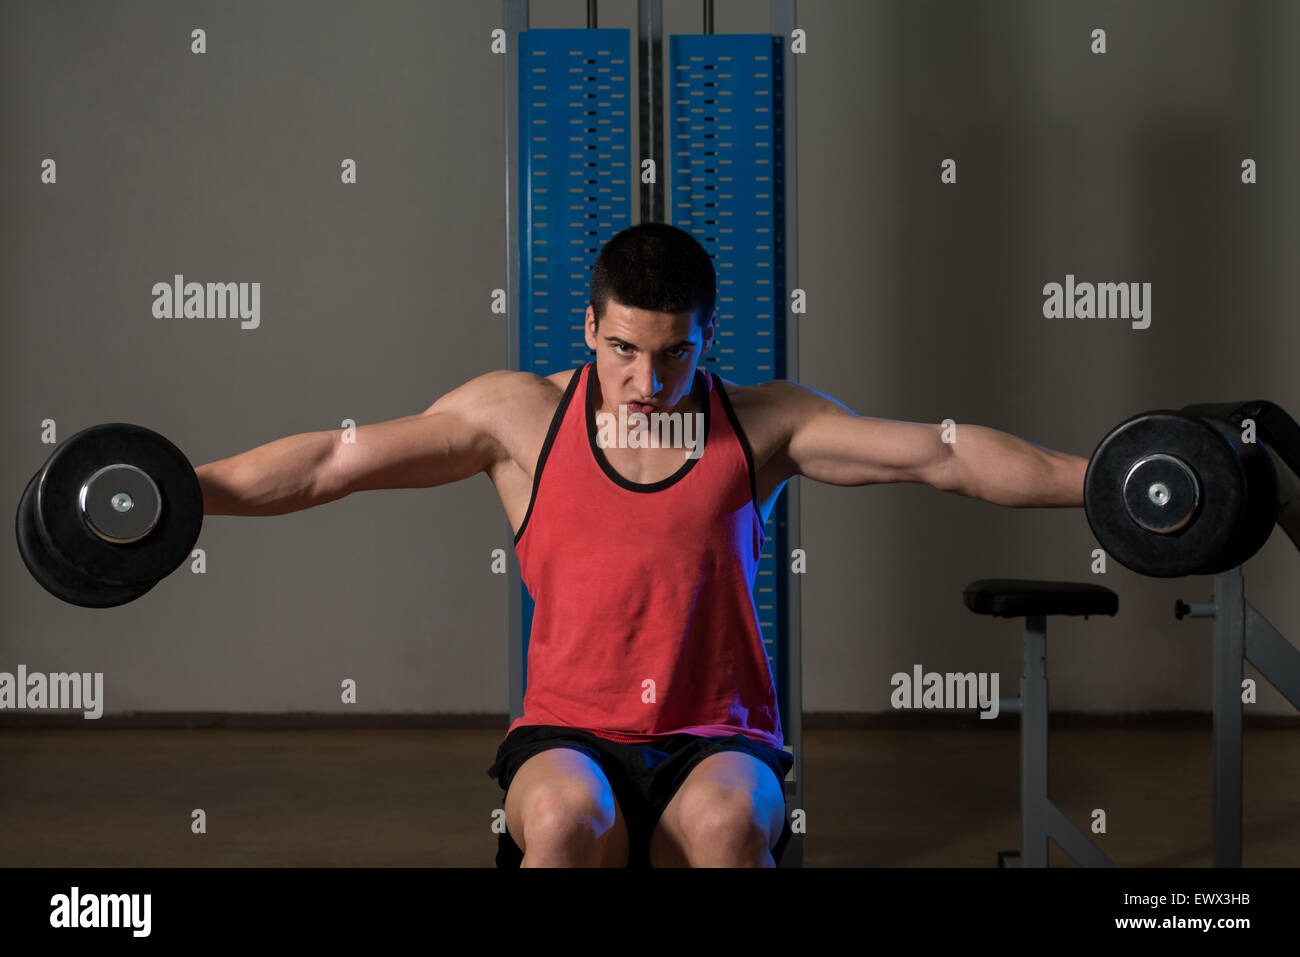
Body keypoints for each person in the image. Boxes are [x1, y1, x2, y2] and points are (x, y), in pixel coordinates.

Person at [195, 223, 1088, 867]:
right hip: (567, 733)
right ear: (588, 328)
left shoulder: (764, 423)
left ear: (706, 340)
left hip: (719, 735)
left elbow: (942, 451)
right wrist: (174, 496)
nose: (646, 382)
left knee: (729, 831)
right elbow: (326, 463)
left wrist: (1110, 483)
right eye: (622, 349)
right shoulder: (519, 419)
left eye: (673, 355)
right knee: (556, 828)